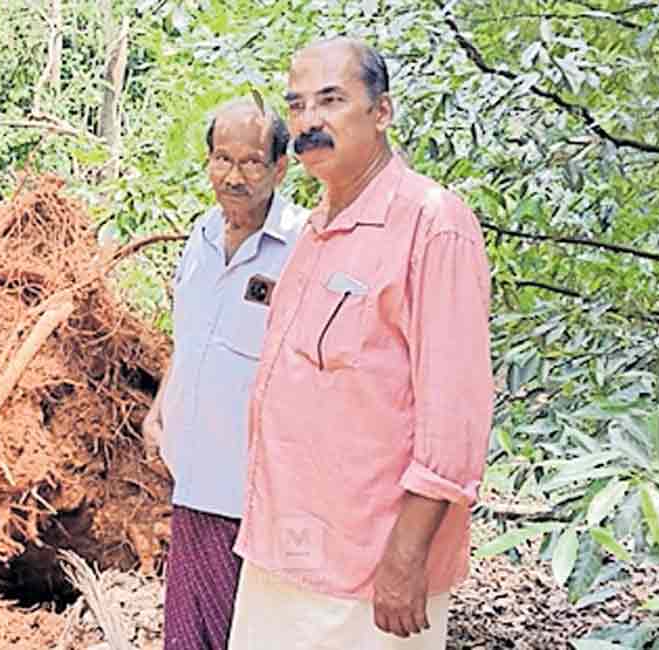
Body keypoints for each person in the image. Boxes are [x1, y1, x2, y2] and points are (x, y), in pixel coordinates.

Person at [227, 38, 494, 649]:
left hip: (367, 569)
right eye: (296, 106)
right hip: (284, 548)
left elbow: (456, 416)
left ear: (382, 112)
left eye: (331, 100)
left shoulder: (432, 222)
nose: (309, 122)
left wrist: (405, 557)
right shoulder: (315, 229)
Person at [144, 97, 308, 650]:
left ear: (280, 167)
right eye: (221, 159)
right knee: (190, 635)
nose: (233, 177)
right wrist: (157, 409)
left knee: (244, 635)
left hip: (254, 495)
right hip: (191, 480)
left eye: (251, 162)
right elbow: (189, 340)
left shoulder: (304, 247)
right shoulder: (201, 236)